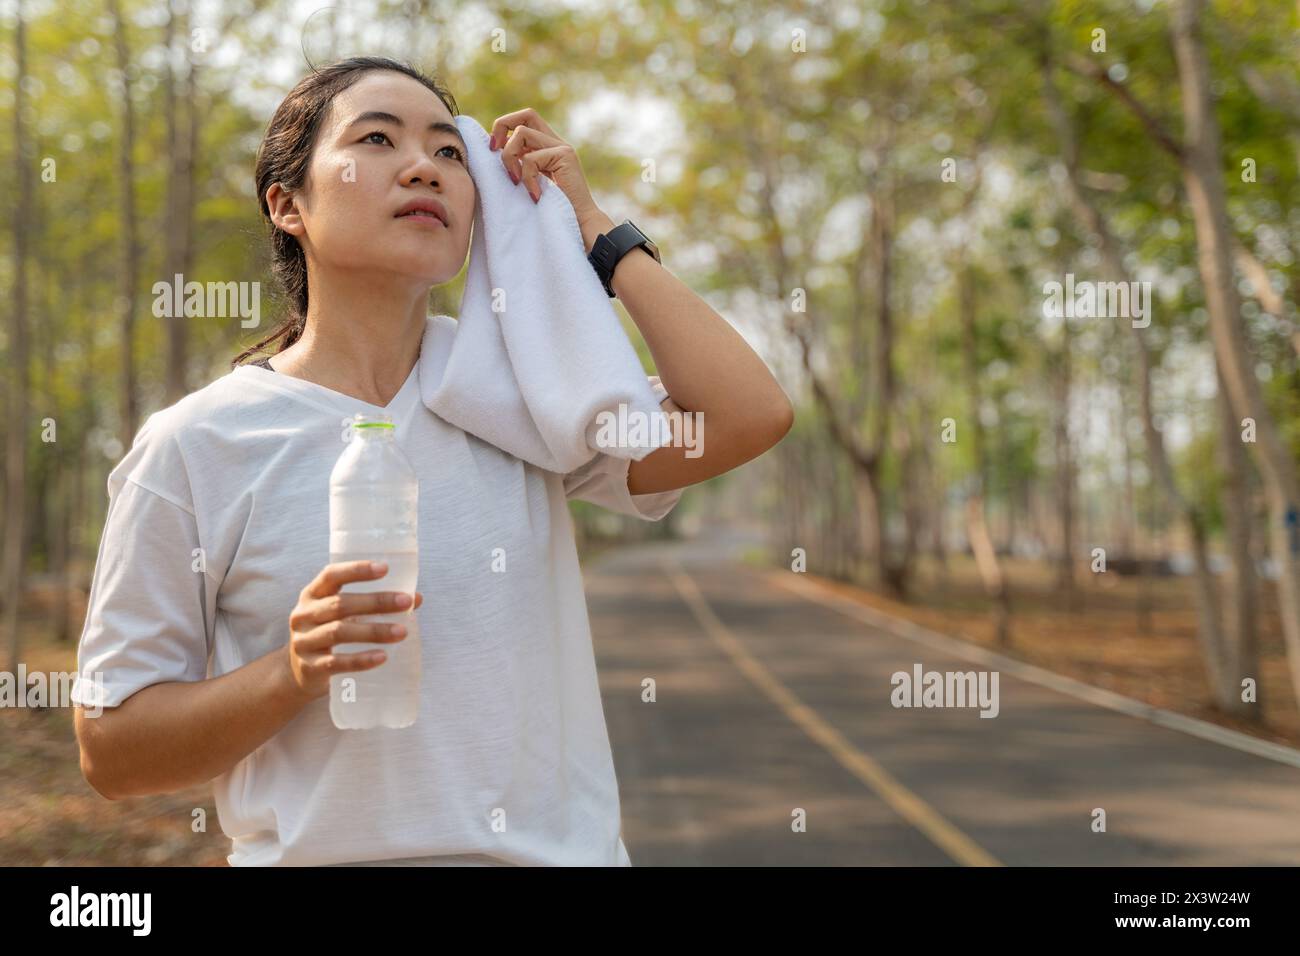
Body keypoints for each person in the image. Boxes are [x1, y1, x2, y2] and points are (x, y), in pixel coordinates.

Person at [72, 56, 793, 866]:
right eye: (376, 139)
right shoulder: (195, 447)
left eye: (452, 153)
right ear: (288, 205)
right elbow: (113, 751)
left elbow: (746, 414)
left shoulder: (522, 392)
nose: (425, 166)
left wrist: (590, 226)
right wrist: (292, 671)